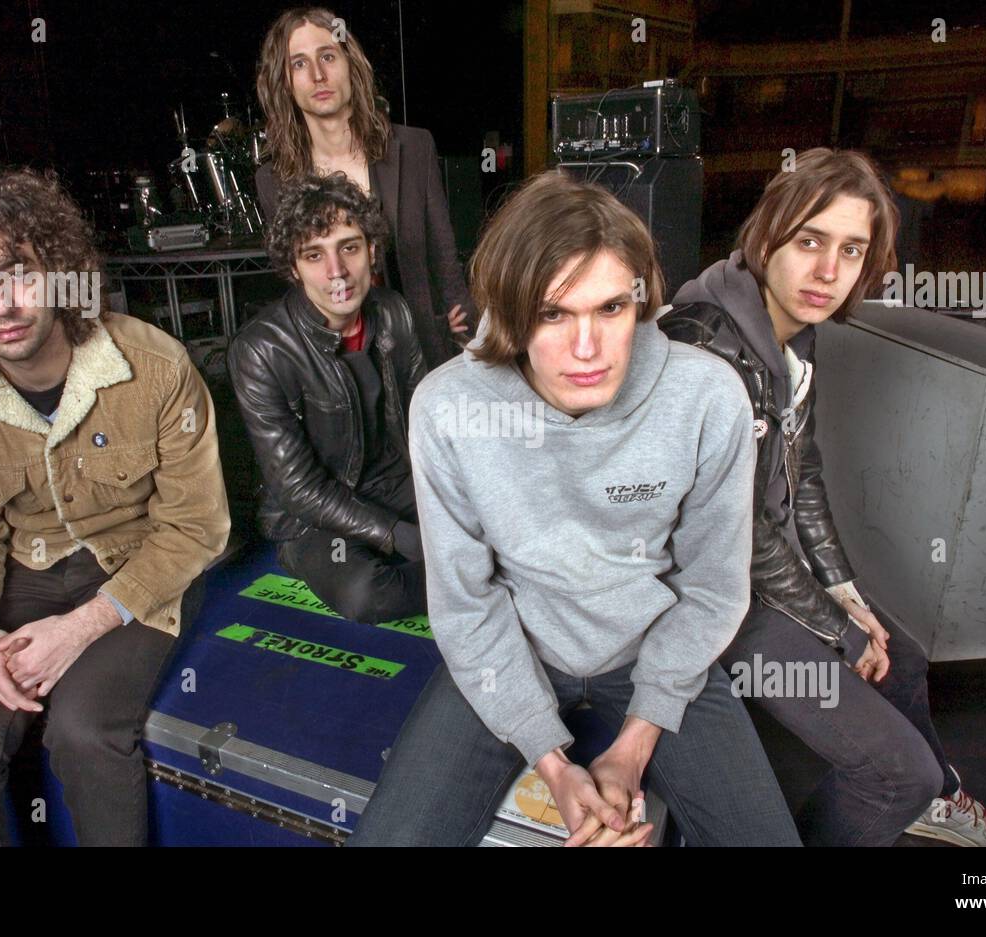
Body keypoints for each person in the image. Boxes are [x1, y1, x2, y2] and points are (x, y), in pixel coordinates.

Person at [348, 171, 801, 847]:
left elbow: (712, 589)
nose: (586, 348)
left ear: (640, 302)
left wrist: (632, 748)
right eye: (553, 314)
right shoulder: (449, 409)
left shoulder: (707, 398)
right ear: (509, 305)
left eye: (610, 309)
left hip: (656, 645)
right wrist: (555, 768)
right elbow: (466, 605)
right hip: (515, 646)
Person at [660, 147, 986, 847]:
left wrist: (845, 588)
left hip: (761, 580)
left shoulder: (787, 335)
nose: (829, 271)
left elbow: (803, 470)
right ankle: (909, 790)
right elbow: (730, 525)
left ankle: (937, 798)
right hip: (706, 597)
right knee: (896, 771)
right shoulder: (705, 341)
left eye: (852, 250)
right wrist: (835, 625)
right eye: (809, 241)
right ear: (767, 234)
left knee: (905, 656)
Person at [0, 152, 230, 846]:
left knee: (84, 732)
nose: (1, 304)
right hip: (21, 580)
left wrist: (82, 628)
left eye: (18, 274)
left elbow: (195, 527)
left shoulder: (155, 365)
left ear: (60, 270)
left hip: (138, 573)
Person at [227, 173, 427, 624]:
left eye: (349, 248)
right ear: (293, 268)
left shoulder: (393, 312)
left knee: (497, 527)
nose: (336, 272)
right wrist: (397, 535)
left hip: (395, 484)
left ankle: (471, 570)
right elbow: (296, 486)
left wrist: (452, 499)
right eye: (314, 255)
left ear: (371, 251)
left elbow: (426, 422)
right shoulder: (261, 349)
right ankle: (470, 580)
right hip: (313, 514)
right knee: (366, 595)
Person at [255, 6, 473, 371]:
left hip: (423, 347)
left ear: (351, 65)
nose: (318, 75)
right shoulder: (275, 179)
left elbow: (444, 260)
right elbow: (300, 283)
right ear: (284, 84)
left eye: (328, 56)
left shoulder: (414, 147)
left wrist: (465, 337)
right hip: (340, 363)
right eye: (299, 64)